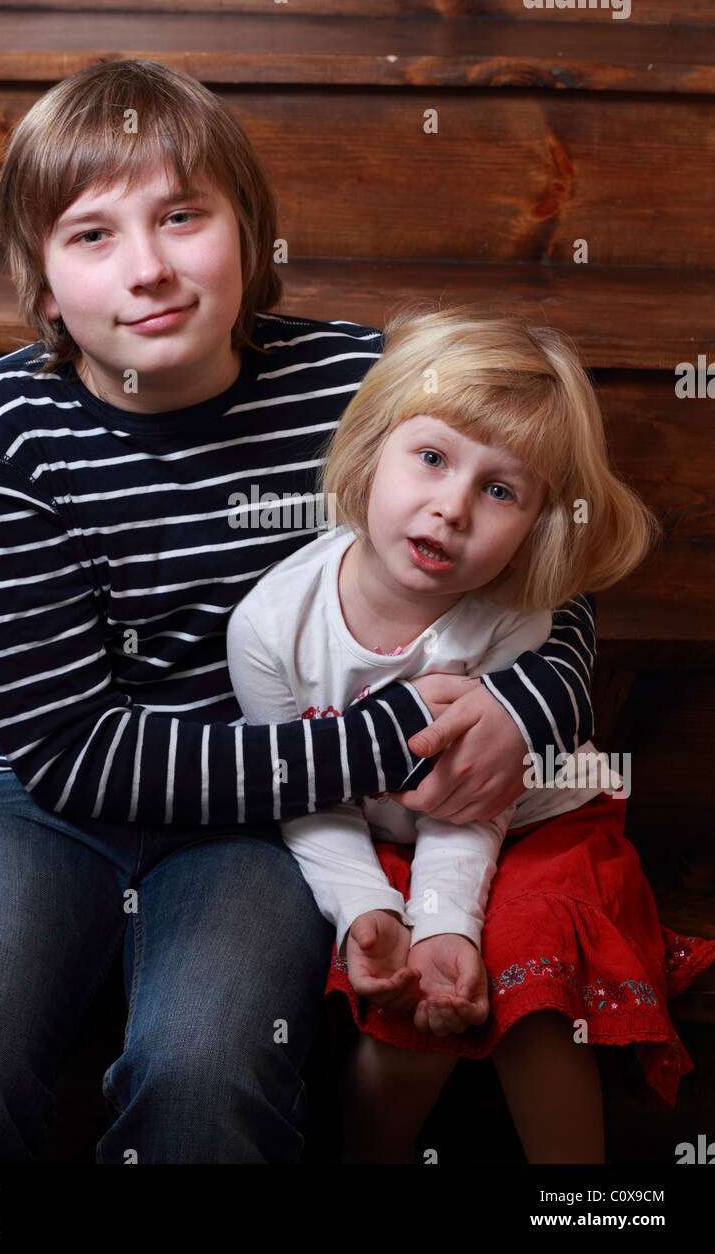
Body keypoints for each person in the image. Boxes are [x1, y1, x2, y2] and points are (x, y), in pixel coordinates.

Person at [0, 60, 598, 1164]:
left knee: (208, 1078)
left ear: (248, 232)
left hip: (270, 823)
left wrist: (521, 711)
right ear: (46, 287)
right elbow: (69, 752)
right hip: (34, 797)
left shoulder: (367, 386)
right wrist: (393, 736)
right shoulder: (7, 424)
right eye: (91, 235)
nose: (147, 269)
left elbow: (546, 564)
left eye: (182, 216)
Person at [227, 305, 715, 1164]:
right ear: (372, 446)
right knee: (415, 1004)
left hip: (533, 823)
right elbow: (301, 795)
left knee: (531, 1001)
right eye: (430, 458)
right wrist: (370, 908)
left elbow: (478, 799)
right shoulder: (270, 626)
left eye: (500, 490)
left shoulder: (511, 623)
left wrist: (448, 916)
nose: (451, 508)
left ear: (536, 524)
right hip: (376, 837)